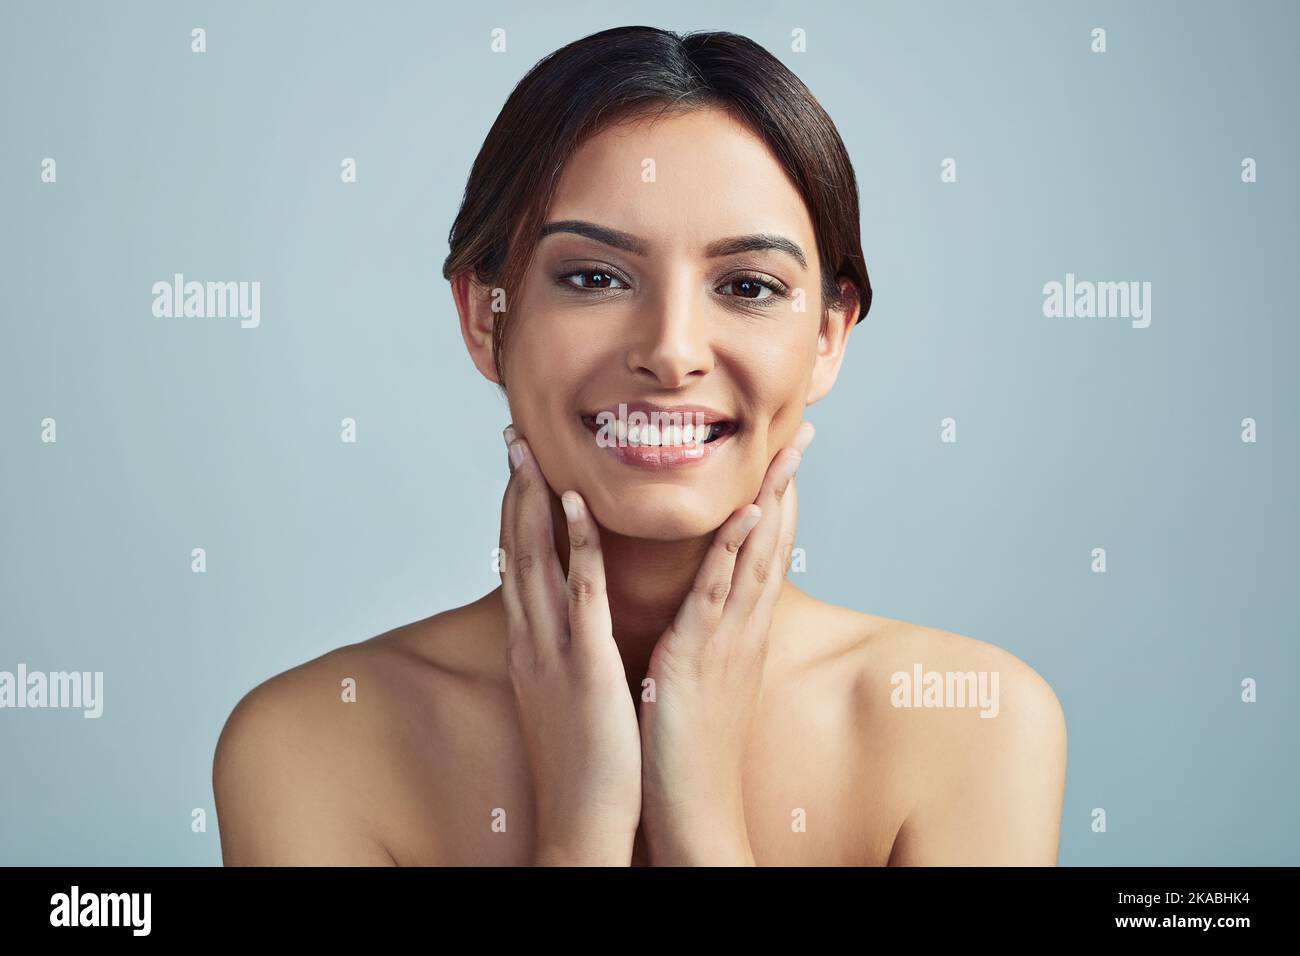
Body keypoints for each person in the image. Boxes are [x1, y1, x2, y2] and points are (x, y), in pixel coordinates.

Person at [213, 25, 1066, 866]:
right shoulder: (308, 744)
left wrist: (701, 821)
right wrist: (583, 826)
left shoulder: (972, 724)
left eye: (748, 286)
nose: (671, 349)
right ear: (484, 314)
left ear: (828, 336)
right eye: (594, 278)